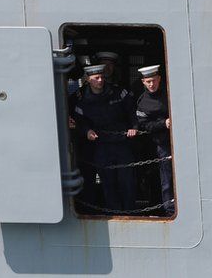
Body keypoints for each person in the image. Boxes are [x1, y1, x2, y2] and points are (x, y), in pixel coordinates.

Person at [73, 64, 138, 213]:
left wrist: (134, 127)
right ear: (89, 80)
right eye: (96, 78)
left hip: (122, 142)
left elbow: (131, 111)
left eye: (102, 77)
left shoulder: (118, 92)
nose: (101, 80)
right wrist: (86, 131)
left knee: (127, 181)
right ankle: (114, 212)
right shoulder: (81, 97)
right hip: (101, 145)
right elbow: (79, 119)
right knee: (108, 182)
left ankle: (130, 212)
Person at [134, 65, 174, 215]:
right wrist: (163, 123)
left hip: (177, 140)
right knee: (166, 179)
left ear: (159, 79)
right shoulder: (143, 103)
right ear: (143, 82)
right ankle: (169, 209)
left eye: (154, 80)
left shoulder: (169, 93)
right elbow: (144, 124)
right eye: (148, 81)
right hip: (160, 143)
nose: (152, 84)